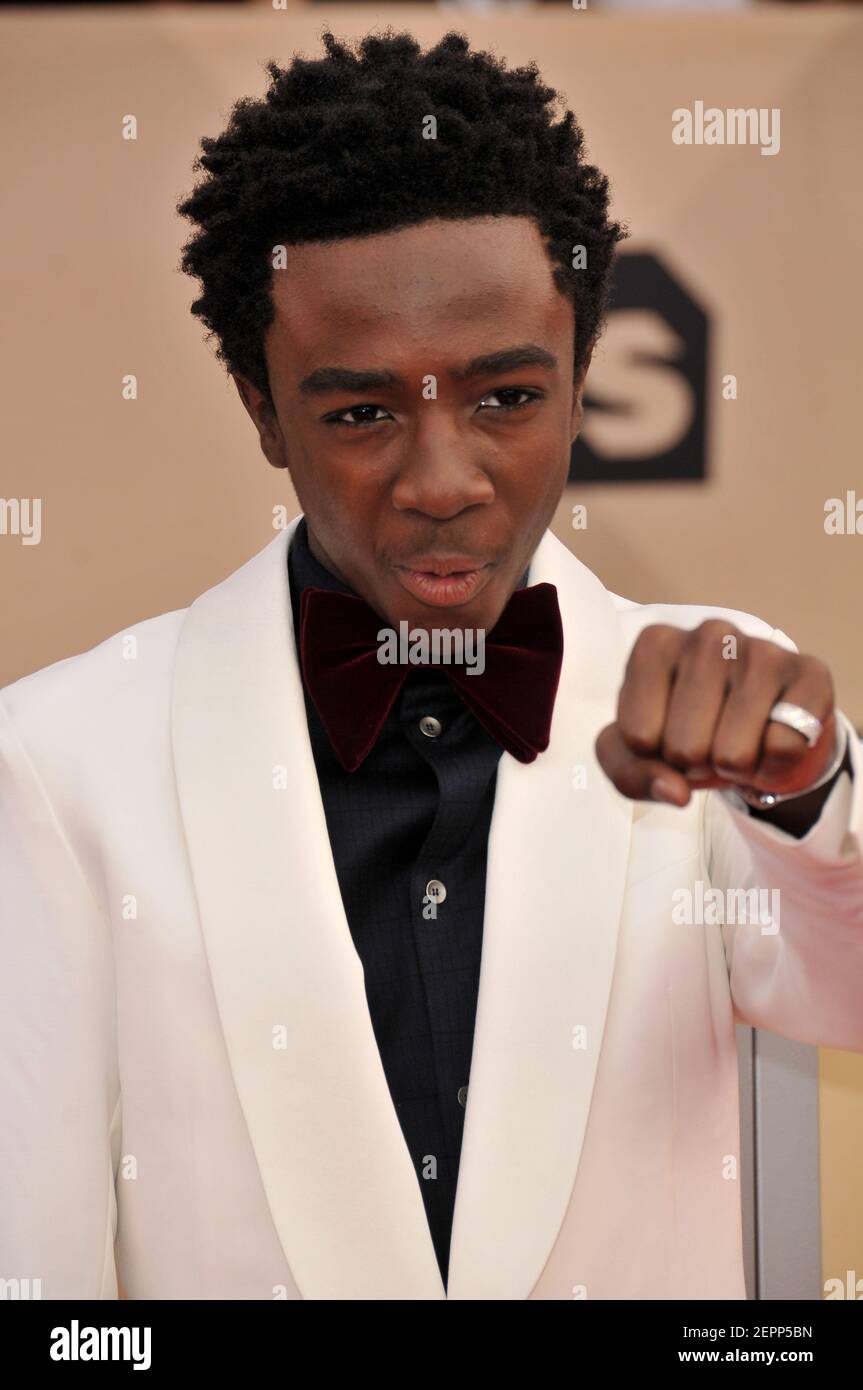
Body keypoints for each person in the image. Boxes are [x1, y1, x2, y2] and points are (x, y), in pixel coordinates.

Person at [1, 28, 860, 1302]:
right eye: (358, 413)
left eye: (505, 398)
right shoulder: (60, 761)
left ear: (579, 382)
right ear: (258, 407)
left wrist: (809, 793)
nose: (442, 482)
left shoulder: (717, 697)